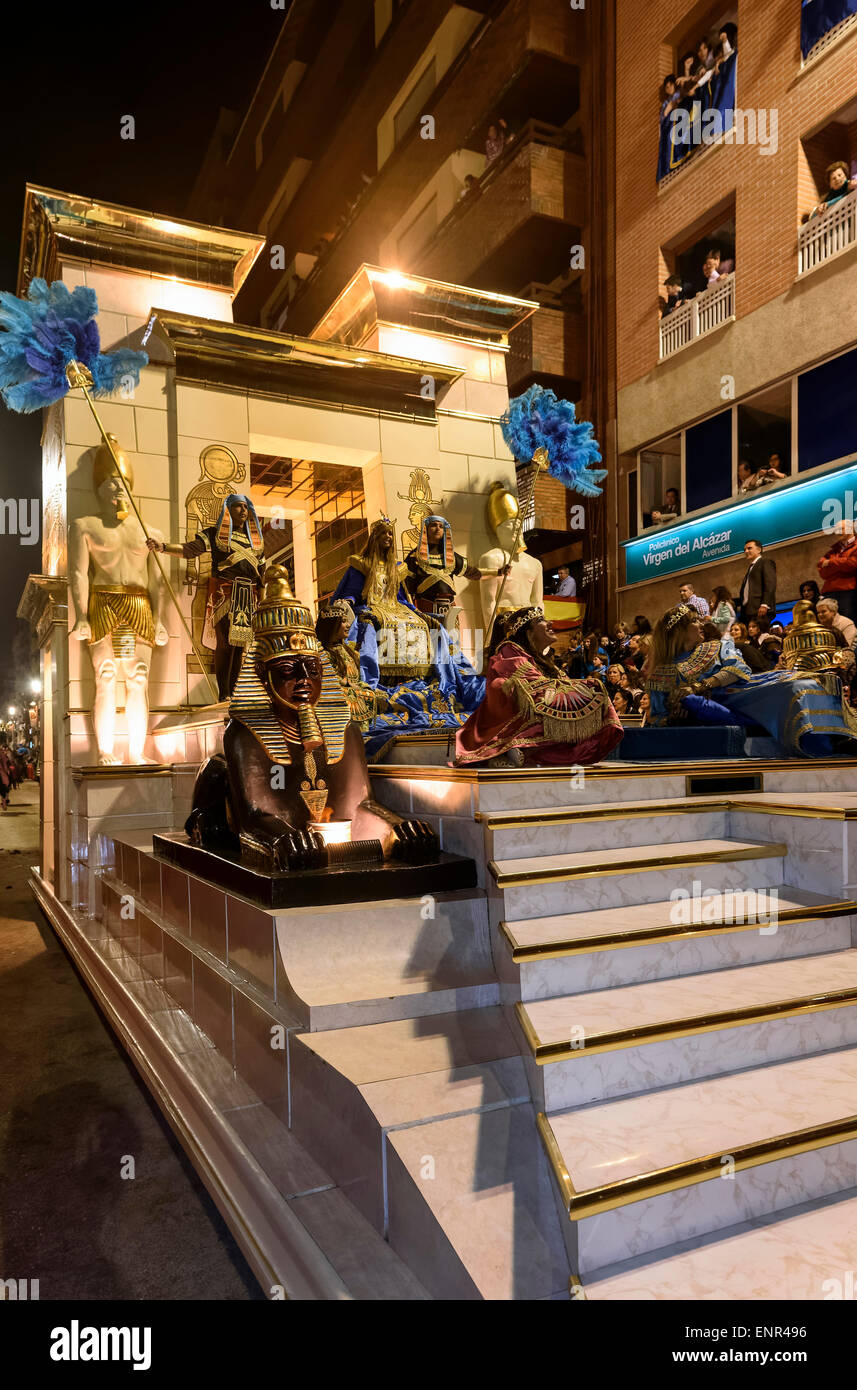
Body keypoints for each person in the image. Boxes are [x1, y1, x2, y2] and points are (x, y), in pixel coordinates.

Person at [644, 603, 857, 757]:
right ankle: (822, 744)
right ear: (679, 631)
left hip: (745, 692)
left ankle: (838, 736)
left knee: (804, 681)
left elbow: (738, 669)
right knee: (794, 689)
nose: (701, 624)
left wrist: (699, 685)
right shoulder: (661, 674)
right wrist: (675, 717)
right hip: (717, 706)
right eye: (693, 621)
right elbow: (657, 718)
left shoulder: (717, 646)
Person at [454, 607, 623, 767]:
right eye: (541, 621)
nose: (551, 624)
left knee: (593, 690)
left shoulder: (540, 659)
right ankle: (509, 750)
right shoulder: (510, 652)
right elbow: (532, 688)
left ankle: (533, 751)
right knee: (592, 690)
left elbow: (557, 684)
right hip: (507, 722)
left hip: (536, 712)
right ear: (528, 633)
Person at [148, 493, 264, 701]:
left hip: (248, 597)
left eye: (246, 507)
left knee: (240, 648)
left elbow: (261, 574)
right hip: (225, 593)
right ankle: (224, 693)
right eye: (238, 507)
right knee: (225, 644)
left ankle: (234, 691)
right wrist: (163, 547)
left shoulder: (255, 543)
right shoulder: (214, 534)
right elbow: (189, 550)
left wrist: (263, 600)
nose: (243, 511)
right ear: (228, 510)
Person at [817, 522, 857, 626]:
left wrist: (831, 563)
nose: (837, 532)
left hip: (848, 592)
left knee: (849, 624)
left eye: (841, 529)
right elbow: (822, 572)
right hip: (829, 594)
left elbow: (852, 564)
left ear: (850, 529)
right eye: (836, 529)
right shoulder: (832, 551)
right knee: (829, 627)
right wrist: (841, 565)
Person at [737, 539, 776, 622]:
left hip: (759, 609)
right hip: (748, 611)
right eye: (745, 550)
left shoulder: (765, 562)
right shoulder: (751, 567)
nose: (746, 551)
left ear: (759, 550)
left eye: (749, 548)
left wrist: (764, 604)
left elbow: (770, 584)